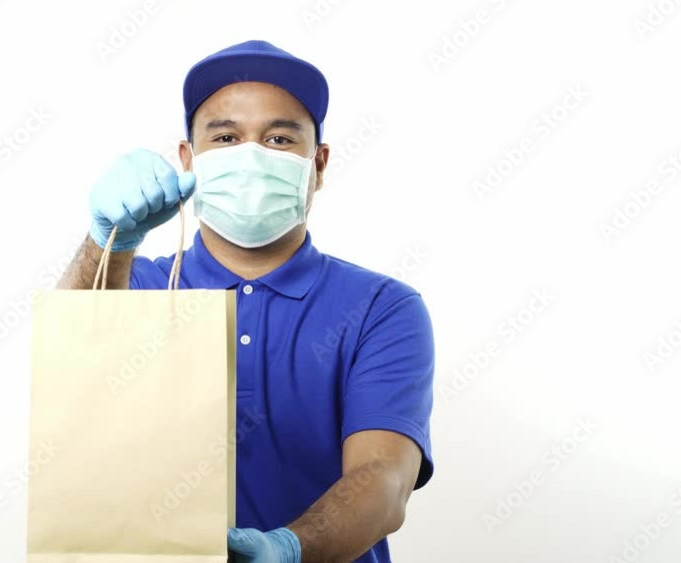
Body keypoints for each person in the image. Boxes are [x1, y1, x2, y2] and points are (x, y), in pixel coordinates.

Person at [59, 39, 435, 563]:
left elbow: (385, 480)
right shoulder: (141, 288)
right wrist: (108, 243)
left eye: (280, 138)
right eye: (227, 137)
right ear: (189, 160)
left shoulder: (379, 308)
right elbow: (68, 381)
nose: (252, 156)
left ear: (318, 165)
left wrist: (288, 549)